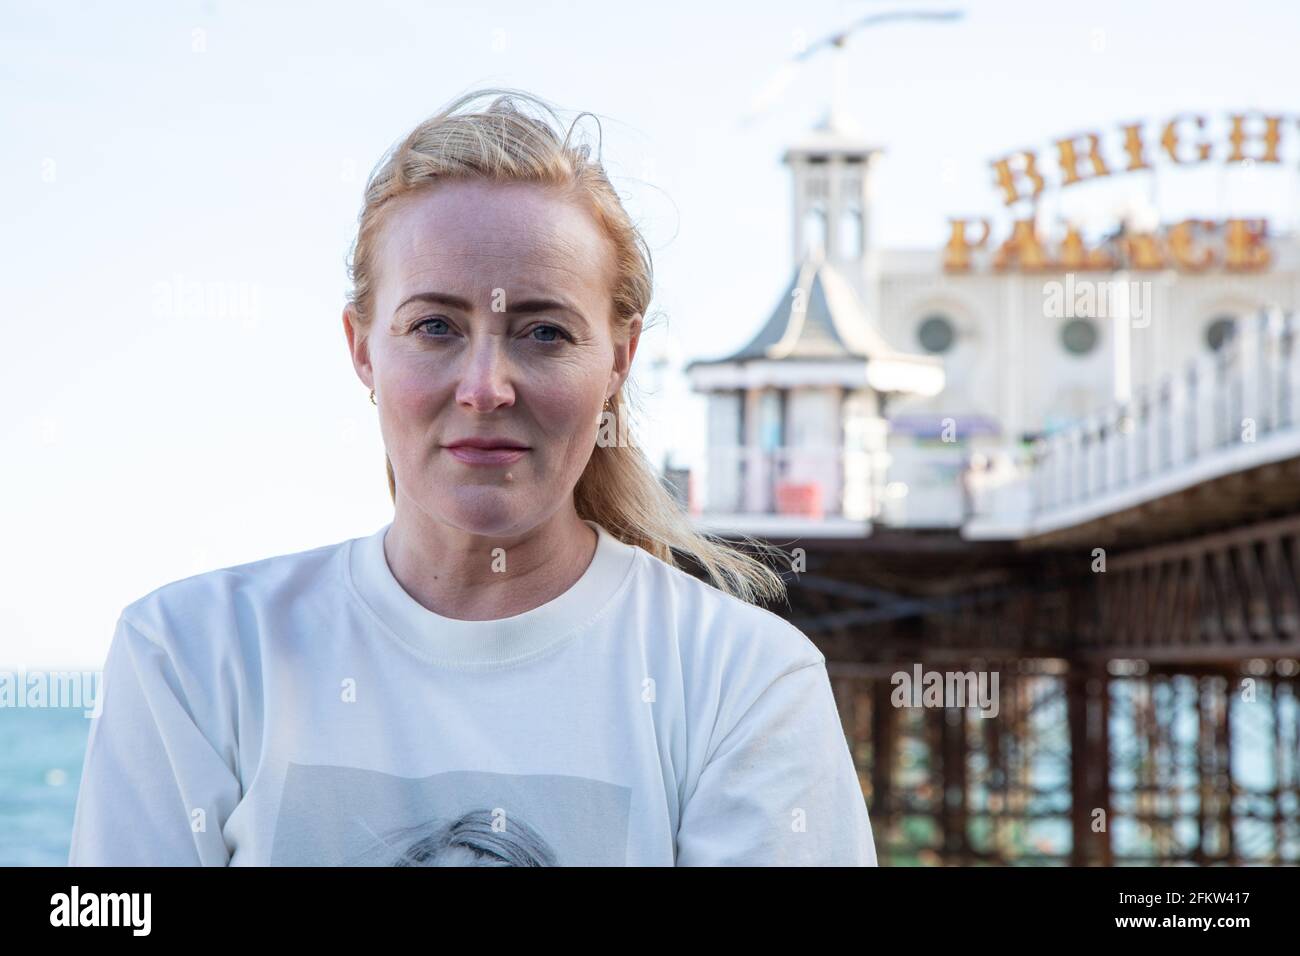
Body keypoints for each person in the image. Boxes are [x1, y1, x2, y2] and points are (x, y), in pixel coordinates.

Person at [67, 88, 878, 867]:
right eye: (434, 327)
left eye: (544, 332)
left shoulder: (744, 684)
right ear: (362, 350)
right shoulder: (193, 656)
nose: (486, 386)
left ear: (618, 362)